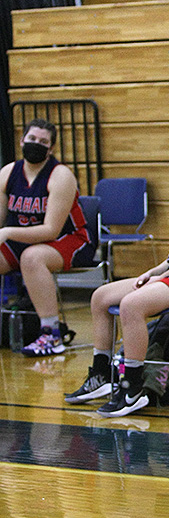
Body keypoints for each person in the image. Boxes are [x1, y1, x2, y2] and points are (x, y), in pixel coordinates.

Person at [65, 130, 169, 418]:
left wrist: (164, 278)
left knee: (133, 305)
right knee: (100, 296)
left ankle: (132, 388)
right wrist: (154, 271)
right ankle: (101, 375)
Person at [0, 118, 92, 356]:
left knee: (31, 257)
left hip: (68, 240)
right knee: (27, 254)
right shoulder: (8, 173)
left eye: (43, 142)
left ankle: (51, 335)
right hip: (22, 241)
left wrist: (8, 232)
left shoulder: (60, 175)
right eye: (32, 139)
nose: (36, 144)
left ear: (51, 149)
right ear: (22, 140)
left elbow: (51, 230)